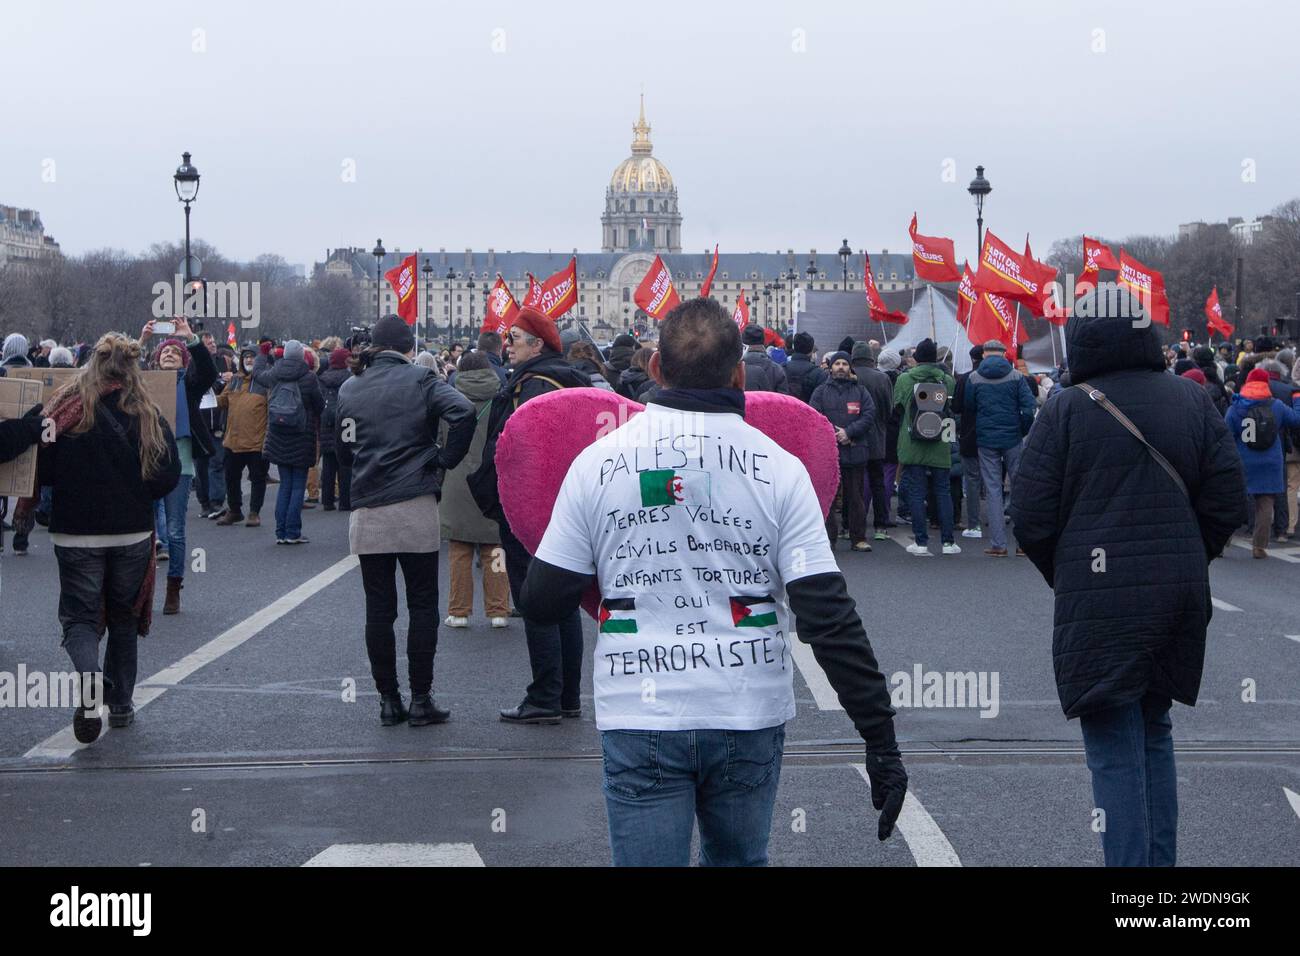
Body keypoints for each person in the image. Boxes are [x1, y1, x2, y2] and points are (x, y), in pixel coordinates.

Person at [515, 297, 906, 866]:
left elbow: (543, 601)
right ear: (740, 373)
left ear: (655, 368)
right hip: (745, 707)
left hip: (640, 707)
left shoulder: (596, 464)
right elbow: (827, 616)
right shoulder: (780, 468)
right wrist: (880, 739)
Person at [1010, 303, 1245, 866]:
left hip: (1099, 592)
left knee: (1114, 743)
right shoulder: (1191, 399)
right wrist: (1188, 558)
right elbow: (1226, 501)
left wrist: (1067, 573)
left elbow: (1031, 515)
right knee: (1154, 727)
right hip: (1178, 591)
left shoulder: (1066, 408)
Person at [39, 333, 180, 743]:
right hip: (132, 532)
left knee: (80, 618)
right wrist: (137, 494)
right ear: (132, 368)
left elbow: (41, 468)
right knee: (124, 617)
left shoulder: (66, 411)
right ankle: (120, 705)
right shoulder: (148, 413)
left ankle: (89, 679)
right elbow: (167, 475)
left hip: (75, 532)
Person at [335, 315, 474, 726]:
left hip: (368, 505)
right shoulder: (421, 380)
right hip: (414, 499)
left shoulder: (349, 387)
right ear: (408, 348)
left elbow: (343, 448)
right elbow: (464, 412)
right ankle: (421, 698)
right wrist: (443, 460)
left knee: (379, 610)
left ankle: (387, 699)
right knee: (422, 605)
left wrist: (360, 469)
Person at [470, 306, 591, 724]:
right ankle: (567, 695)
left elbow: (530, 449)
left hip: (534, 509)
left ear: (537, 344)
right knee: (565, 602)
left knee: (536, 601)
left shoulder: (535, 385)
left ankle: (544, 696)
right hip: (566, 507)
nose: (508, 346)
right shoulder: (564, 378)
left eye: (515, 339)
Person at [142, 318, 217, 613]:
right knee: (145, 531)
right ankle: (142, 588)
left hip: (181, 466)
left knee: (174, 530)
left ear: (183, 360)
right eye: (164, 353)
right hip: (148, 465)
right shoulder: (145, 384)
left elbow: (209, 371)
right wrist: (142, 340)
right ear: (157, 361)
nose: (169, 355)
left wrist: (191, 339)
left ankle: (173, 587)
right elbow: (119, 373)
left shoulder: (190, 385)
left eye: (174, 352)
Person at [440, 352, 511, 629]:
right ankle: (498, 610)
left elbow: (438, 441)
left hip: (457, 480)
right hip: (492, 479)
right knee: (495, 549)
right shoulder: (503, 398)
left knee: (460, 550)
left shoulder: (448, 400)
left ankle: (459, 611)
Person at [964, 340, 1036, 557]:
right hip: (1013, 437)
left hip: (986, 439)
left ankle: (999, 544)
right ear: (1004, 354)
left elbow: (969, 407)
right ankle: (1023, 543)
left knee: (993, 490)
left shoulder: (974, 378)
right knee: (1019, 488)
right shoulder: (1016, 377)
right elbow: (1028, 407)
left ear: (985, 355)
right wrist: (1021, 430)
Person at [892, 338, 959, 556]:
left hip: (913, 442)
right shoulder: (947, 380)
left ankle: (920, 542)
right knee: (943, 490)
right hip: (940, 441)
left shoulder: (904, 379)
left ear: (917, 358)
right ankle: (948, 542)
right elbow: (952, 409)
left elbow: (898, 409)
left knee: (916, 491)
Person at [1225, 367, 1300, 558]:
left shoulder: (1236, 407)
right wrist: (1298, 399)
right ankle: (1259, 546)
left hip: (1243, 460)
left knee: (1234, 502)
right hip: (1270, 461)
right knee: (1265, 505)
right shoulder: (1276, 406)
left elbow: (1226, 434)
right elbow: (1296, 420)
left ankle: (1224, 539)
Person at [253, 339, 322, 544]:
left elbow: (257, 374)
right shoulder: (308, 378)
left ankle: (280, 532)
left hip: (278, 435)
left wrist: (262, 353)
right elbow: (319, 406)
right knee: (298, 485)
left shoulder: (275, 373)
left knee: (285, 485)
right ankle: (293, 531)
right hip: (301, 435)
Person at [810, 351, 875, 551]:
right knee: (828, 497)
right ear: (830, 368)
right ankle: (829, 538)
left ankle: (858, 538)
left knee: (856, 497)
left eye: (844, 364)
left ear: (850, 368)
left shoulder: (861, 391)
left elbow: (869, 415)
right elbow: (814, 415)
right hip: (828, 452)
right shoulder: (820, 391)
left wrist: (849, 432)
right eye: (837, 363)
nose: (840, 367)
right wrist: (833, 433)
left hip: (855, 450)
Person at [215, 347, 270, 527]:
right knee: (231, 477)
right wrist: (206, 391)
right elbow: (222, 401)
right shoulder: (236, 380)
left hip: (256, 442)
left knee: (257, 478)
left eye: (253, 357)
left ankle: (254, 512)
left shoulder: (265, 382)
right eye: (246, 357)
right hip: (233, 440)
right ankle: (235, 510)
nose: (249, 360)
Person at [850, 341, 893, 540]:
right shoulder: (882, 378)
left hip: (853, 437)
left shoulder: (849, 376)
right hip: (876, 435)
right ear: (871, 357)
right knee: (878, 481)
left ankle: (850, 525)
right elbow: (888, 410)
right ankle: (881, 525)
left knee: (853, 483)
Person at [952, 344, 985, 539]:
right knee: (996, 481)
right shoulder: (1010, 376)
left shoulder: (965, 379)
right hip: (1001, 436)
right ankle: (1001, 518)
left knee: (972, 479)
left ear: (972, 359)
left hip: (970, 435)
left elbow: (956, 407)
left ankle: (975, 524)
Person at [318, 347, 352, 511]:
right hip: (347, 423)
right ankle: (345, 501)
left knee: (328, 464)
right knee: (346, 464)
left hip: (327, 424)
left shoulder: (323, 378)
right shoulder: (350, 378)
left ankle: (327, 500)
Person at [740, 323, 788, 393]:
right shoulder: (777, 369)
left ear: (743, 344)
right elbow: (783, 400)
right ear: (764, 342)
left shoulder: (734, 370)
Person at [785, 332, 827, 403]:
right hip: (809, 412)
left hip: (784, 411)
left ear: (794, 347)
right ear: (811, 351)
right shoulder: (819, 373)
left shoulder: (781, 368)